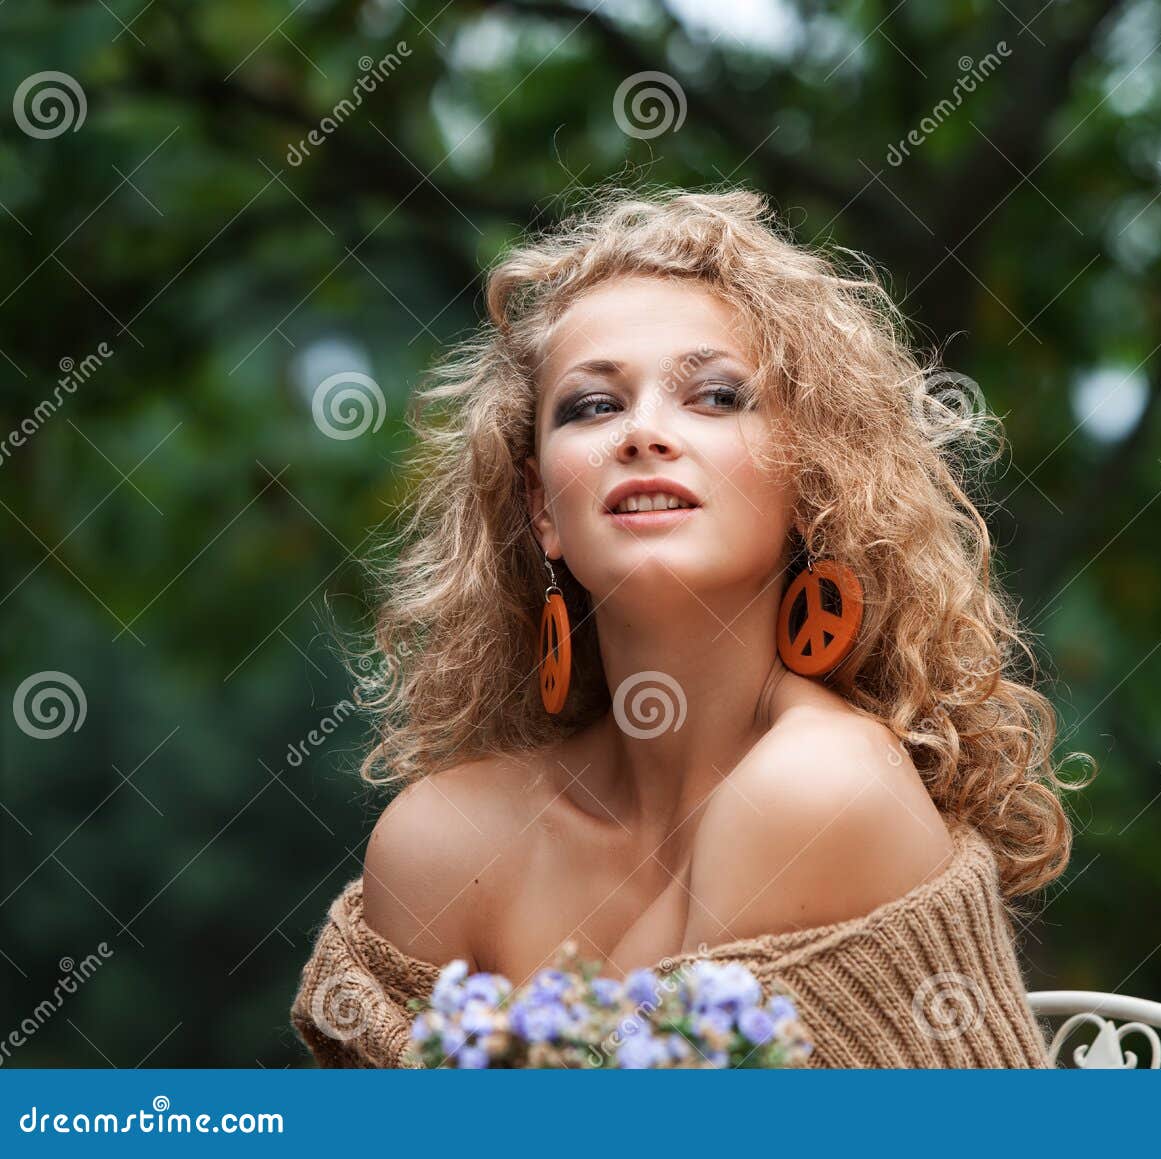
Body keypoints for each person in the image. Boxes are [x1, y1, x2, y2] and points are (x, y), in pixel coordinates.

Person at [289, 186, 1092, 1068]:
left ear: (812, 480)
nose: (643, 432)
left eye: (714, 396)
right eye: (593, 406)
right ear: (541, 509)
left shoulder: (819, 786)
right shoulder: (441, 842)